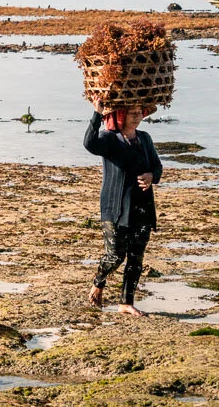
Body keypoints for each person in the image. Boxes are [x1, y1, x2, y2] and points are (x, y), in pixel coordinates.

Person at [84, 97, 162, 317]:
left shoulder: (145, 138)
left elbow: (157, 167)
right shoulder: (109, 139)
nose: (137, 116)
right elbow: (89, 144)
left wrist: (151, 176)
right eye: (132, 112)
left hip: (142, 207)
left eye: (140, 112)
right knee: (116, 254)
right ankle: (98, 282)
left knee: (136, 257)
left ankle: (126, 303)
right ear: (121, 114)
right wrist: (97, 114)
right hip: (115, 207)